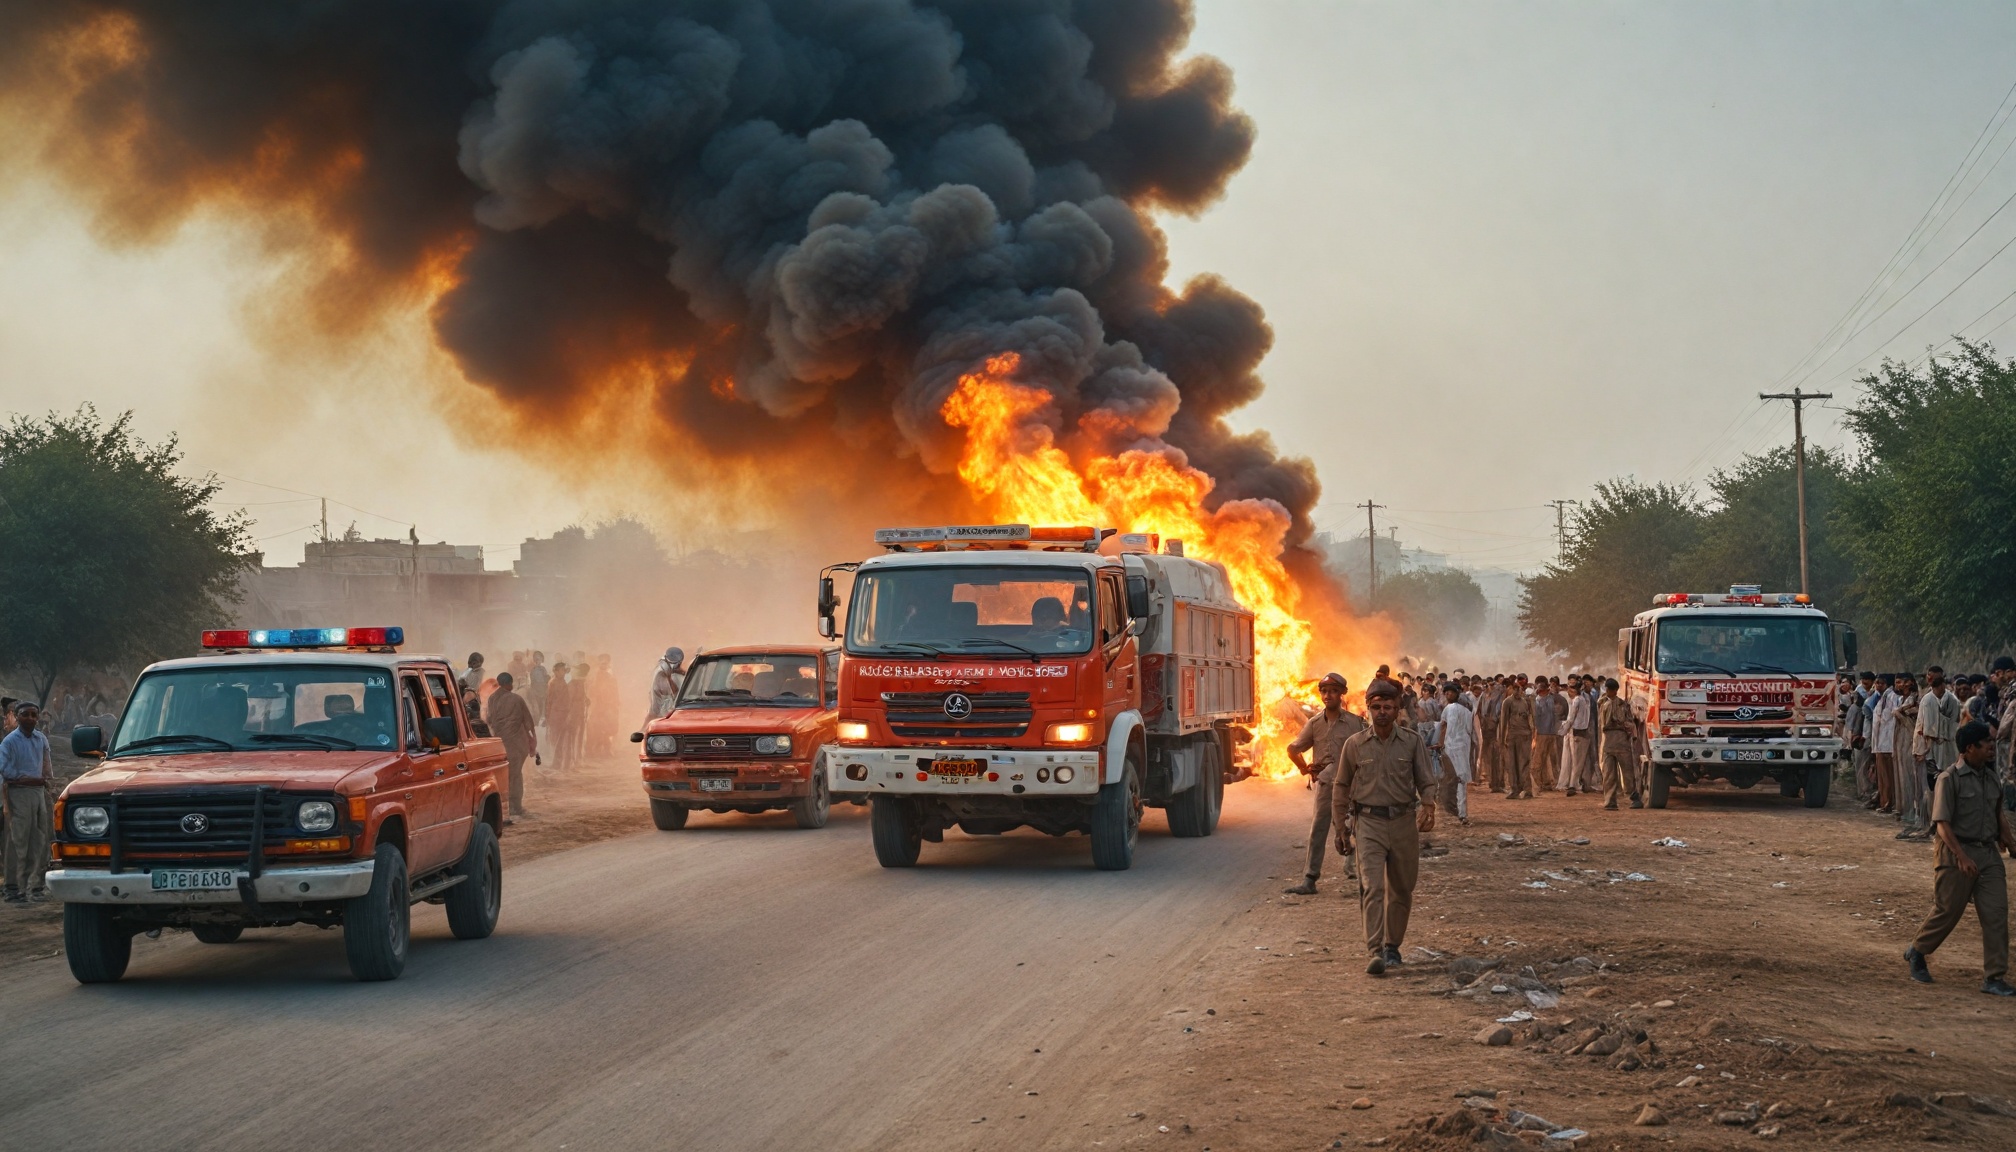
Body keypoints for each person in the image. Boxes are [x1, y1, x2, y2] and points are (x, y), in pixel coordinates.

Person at [1332, 678, 1438, 975]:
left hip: (1404, 823)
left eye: (1387, 707)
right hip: (1369, 824)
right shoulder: (1354, 745)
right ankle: (1375, 949)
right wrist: (1341, 828)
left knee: (1402, 889)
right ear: (1367, 709)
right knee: (1373, 886)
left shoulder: (1412, 741)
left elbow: (1426, 779)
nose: (1381, 712)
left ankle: (1393, 946)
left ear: (1397, 711)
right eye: (1376, 707)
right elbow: (1340, 787)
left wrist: (1428, 804)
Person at [1903, 722, 2016, 995]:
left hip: (1988, 854)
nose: (1992, 746)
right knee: (1947, 911)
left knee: (1996, 914)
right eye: (1985, 743)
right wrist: (1962, 856)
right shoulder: (1949, 779)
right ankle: (1918, 951)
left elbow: (1997, 811)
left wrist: (2010, 842)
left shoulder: (1991, 778)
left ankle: (1994, 977)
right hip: (1955, 852)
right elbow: (1941, 823)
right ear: (1969, 748)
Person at [1283, 673, 1366, 895]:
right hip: (1326, 787)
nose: (1328, 695)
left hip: (1351, 787)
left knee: (1359, 828)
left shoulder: (1355, 724)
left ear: (1342, 694)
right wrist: (1304, 768)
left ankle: (1364, 878)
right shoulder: (1315, 723)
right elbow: (1293, 749)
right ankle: (1310, 879)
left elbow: (1367, 752)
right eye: (1324, 691)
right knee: (1318, 829)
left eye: (1333, 691)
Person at [2, 702, 55, 903]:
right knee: (18, 841)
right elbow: (6, 772)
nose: (31, 718)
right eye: (25, 714)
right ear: (17, 716)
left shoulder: (41, 739)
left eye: (34, 715)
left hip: (39, 792)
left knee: (40, 840)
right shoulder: (9, 742)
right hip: (19, 792)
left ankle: (36, 887)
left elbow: (47, 769)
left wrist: (47, 785)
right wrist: (26, 779)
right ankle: (13, 889)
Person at [485, 672, 537, 819]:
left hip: (499, 743)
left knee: (503, 774)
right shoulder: (516, 699)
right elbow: (528, 721)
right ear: (510, 684)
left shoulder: (492, 698)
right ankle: (515, 807)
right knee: (515, 775)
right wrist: (532, 740)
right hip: (515, 743)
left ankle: (504, 807)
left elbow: (489, 719)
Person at [1433, 682, 1475, 825]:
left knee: (1454, 780)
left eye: (1451, 692)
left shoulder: (1456, 710)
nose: (1448, 694)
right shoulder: (1464, 711)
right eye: (1446, 693)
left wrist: (1440, 743)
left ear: (1457, 694)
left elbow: (1443, 727)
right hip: (1457, 748)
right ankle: (1459, 812)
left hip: (1456, 748)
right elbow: (1444, 728)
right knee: (1458, 780)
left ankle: (1459, 812)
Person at [1598, 678, 1641, 810]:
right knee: (1609, 774)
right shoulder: (1603, 703)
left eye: (1610, 689)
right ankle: (1610, 801)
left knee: (1627, 773)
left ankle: (1633, 797)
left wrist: (1623, 726)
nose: (1608, 691)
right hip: (1608, 741)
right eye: (1607, 689)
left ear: (1615, 690)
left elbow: (1630, 723)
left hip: (1621, 740)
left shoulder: (1623, 705)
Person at [1498, 675, 1535, 799]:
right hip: (1512, 736)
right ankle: (1514, 789)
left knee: (1524, 763)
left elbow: (1530, 718)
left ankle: (1527, 789)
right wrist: (1502, 739)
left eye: (1519, 690)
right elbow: (1503, 721)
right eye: (1515, 690)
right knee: (1512, 764)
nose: (1518, 692)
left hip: (1525, 735)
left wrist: (1532, 734)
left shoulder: (1526, 701)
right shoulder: (1507, 702)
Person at [648, 647, 686, 722]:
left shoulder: (668, 669)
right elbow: (674, 692)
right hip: (661, 712)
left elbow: (677, 670)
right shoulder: (661, 674)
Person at [528, 650, 550, 725]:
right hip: (536, 689)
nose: (538, 661)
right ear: (534, 660)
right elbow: (533, 680)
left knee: (544, 704)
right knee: (536, 705)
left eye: (540, 659)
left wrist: (547, 679)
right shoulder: (533, 670)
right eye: (536, 659)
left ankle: (543, 719)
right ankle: (536, 720)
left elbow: (545, 678)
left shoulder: (543, 669)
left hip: (543, 688)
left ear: (542, 659)